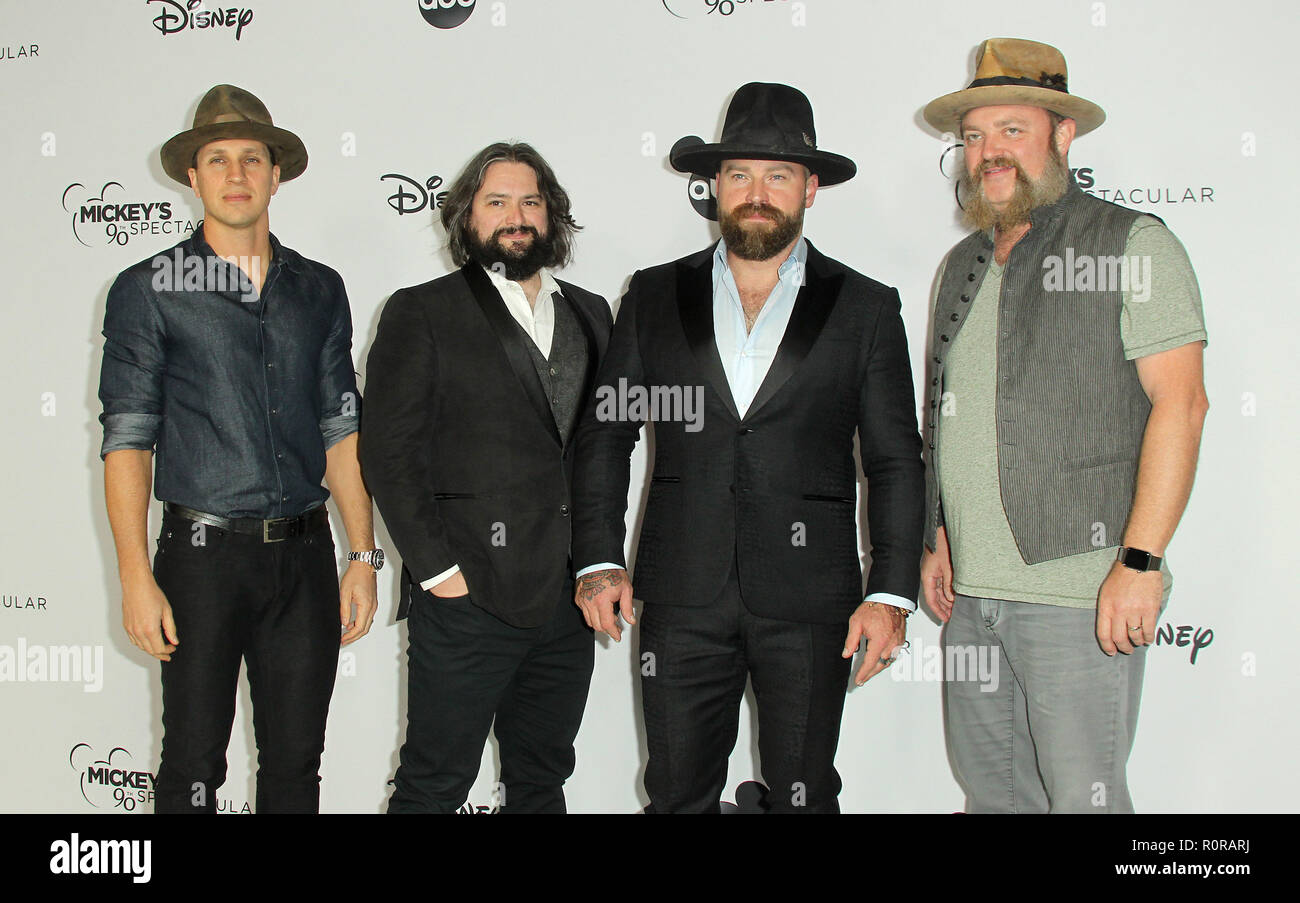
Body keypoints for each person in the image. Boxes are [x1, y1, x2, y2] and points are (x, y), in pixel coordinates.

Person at [571, 83, 924, 813]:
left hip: (811, 600)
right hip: (678, 593)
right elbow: (607, 433)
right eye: (739, 175)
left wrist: (889, 592)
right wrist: (599, 559)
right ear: (716, 185)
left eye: (778, 176)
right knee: (675, 793)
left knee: (803, 794)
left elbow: (894, 459)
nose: (756, 193)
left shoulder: (865, 306)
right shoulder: (654, 294)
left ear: (811, 188)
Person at [919, 38, 1210, 812]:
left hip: (1080, 597)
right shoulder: (961, 266)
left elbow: (1182, 405)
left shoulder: (1133, 244)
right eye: (974, 137)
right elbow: (948, 415)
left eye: (1011, 130)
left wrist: (1141, 563)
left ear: (1063, 134)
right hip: (972, 598)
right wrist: (936, 533)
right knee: (992, 799)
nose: (989, 153)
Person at [99, 84, 379, 814]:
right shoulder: (149, 289)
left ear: (275, 172)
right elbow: (127, 440)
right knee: (192, 762)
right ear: (191, 178)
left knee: (296, 765)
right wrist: (134, 574)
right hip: (201, 561)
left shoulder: (320, 290)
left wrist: (362, 554)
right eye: (216, 159)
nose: (234, 173)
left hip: (307, 558)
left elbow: (341, 426)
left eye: (250, 158)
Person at [361, 142, 613, 813]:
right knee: (433, 782)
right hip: (465, 599)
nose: (516, 214)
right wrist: (439, 572)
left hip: (566, 602)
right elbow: (388, 450)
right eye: (496, 201)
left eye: (531, 200)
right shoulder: (422, 311)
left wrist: (598, 562)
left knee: (541, 779)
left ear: (551, 215)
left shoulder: (592, 312)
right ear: (467, 217)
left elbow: (598, 451)